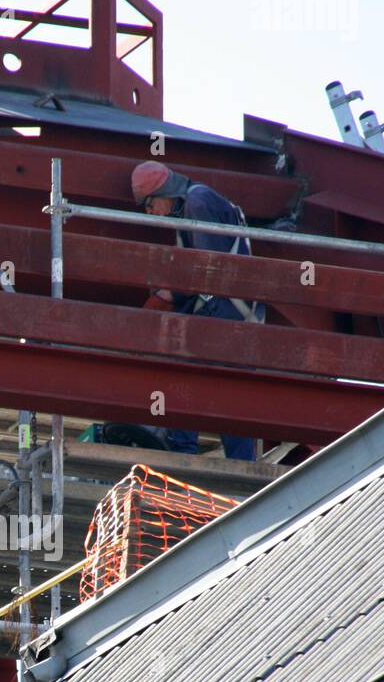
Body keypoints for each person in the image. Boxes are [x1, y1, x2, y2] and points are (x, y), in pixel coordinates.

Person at [102, 160, 266, 461]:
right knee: (230, 395)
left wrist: (172, 293)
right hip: (232, 312)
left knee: (186, 372)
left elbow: (206, 271)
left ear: (164, 193)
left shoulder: (198, 202)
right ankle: (234, 461)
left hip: (227, 312)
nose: (150, 213)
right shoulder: (190, 207)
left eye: (150, 206)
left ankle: (183, 448)